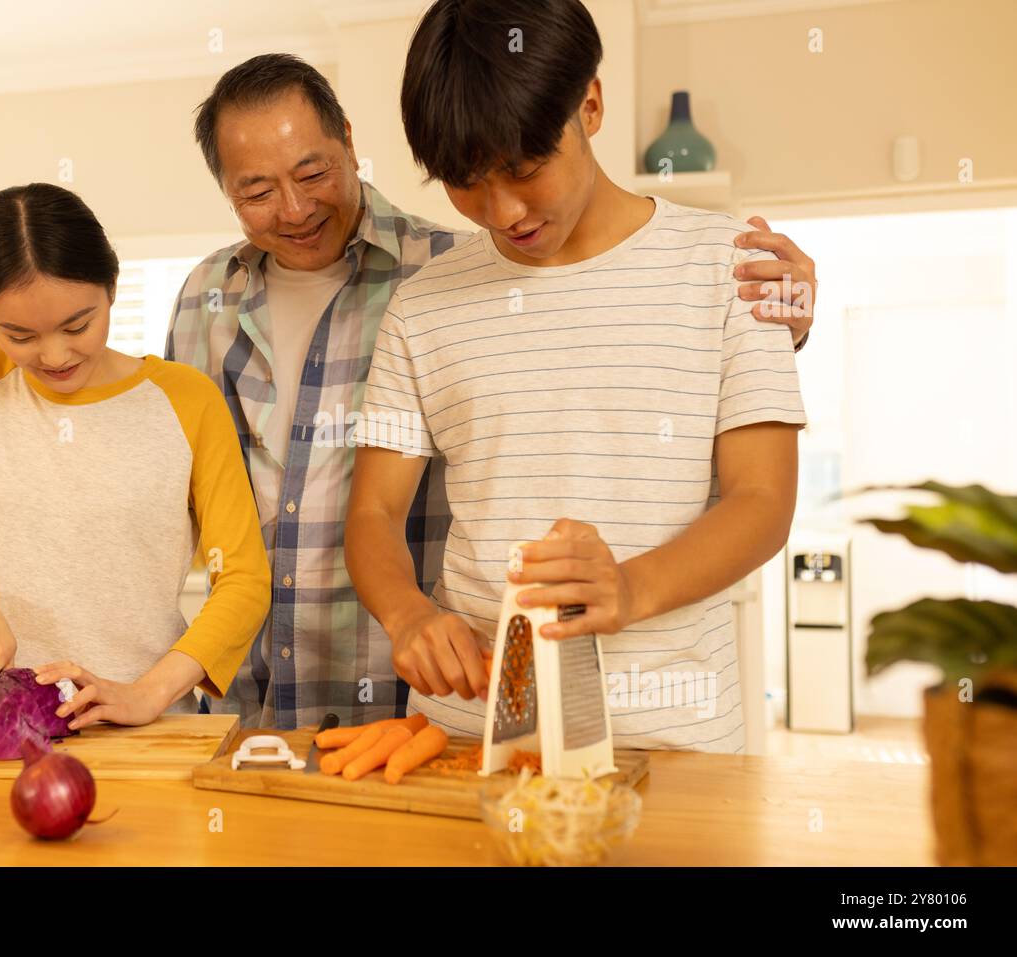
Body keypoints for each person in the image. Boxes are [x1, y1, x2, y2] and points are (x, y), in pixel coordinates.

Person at [0, 53, 819, 731]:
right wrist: (31, 358)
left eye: (314, 171)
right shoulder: (204, 298)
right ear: (224, 190)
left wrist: (777, 326)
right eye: (256, 189)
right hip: (229, 684)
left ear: (352, 141)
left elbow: (589, 371)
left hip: (409, 682)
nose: (293, 207)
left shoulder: (451, 270)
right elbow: (158, 454)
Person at [344, 0, 807, 753]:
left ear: (589, 104)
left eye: (524, 170)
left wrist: (629, 589)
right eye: (465, 183)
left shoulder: (733, 267)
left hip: (673, 738)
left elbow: (763, 501)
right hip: (472, 741)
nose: (502, 211)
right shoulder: (421, 305)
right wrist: (407, 613)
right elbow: (373, 513)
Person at [0, 183, 270, 729]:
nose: (55, 356)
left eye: (77, 325)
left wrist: (146, 694)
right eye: (19, 334)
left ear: (111, 287)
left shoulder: (187, 400)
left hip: (147, 729)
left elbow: (244, 579)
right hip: (1, 731)